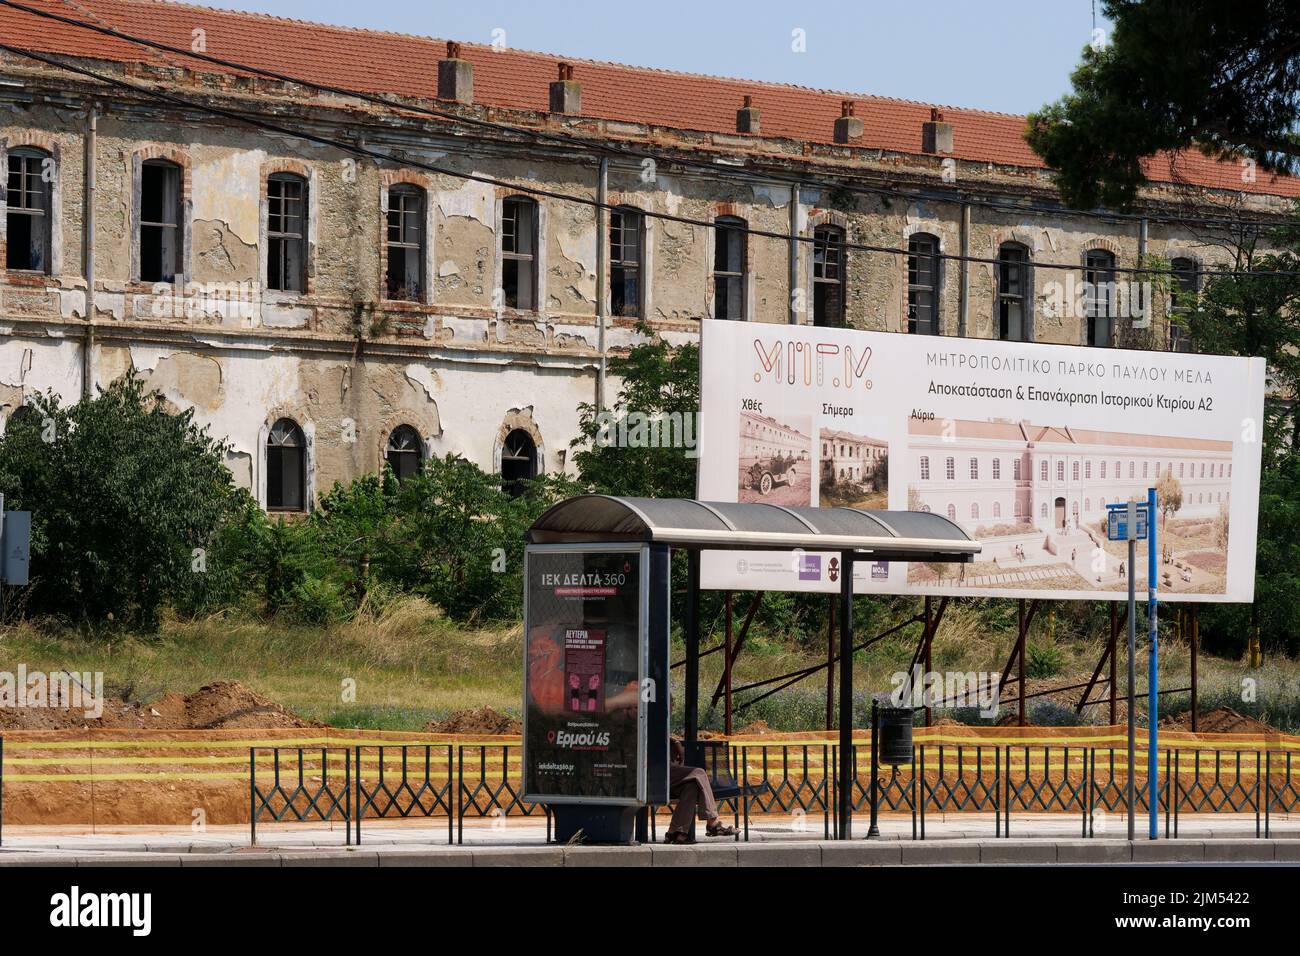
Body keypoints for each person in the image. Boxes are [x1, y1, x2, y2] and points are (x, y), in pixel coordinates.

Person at [665, 739, 737, 844]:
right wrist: (677, 744)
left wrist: (676, 743)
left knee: (691, 787)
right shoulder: (648, 728)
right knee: (699, 773)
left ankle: (676, 833)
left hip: (668, 774)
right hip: (656, 771)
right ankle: (712, 822)